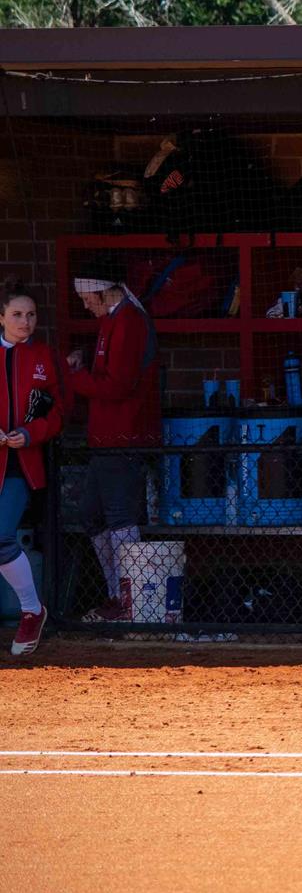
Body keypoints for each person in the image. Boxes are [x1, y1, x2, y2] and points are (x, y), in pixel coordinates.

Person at [65, 264, 162, 622]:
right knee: (93, 514)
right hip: (106, 436)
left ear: (103, 291)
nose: (85, 305)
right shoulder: (112, 319)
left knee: (120, 517)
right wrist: (82, 360)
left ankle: (130, 600)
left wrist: (72, 378)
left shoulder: (129, 321)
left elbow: (117, 386)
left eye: (86, 298)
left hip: (124, 434)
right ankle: (117, 595)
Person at [1, 289, 61, 657]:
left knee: (2, 537)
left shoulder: (43, 357)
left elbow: (55, 413)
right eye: (18, 314)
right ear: (1, 317)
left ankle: (31, 610)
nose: (26, 322)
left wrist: (29, 434)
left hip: (19, 465)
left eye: (32, 315)